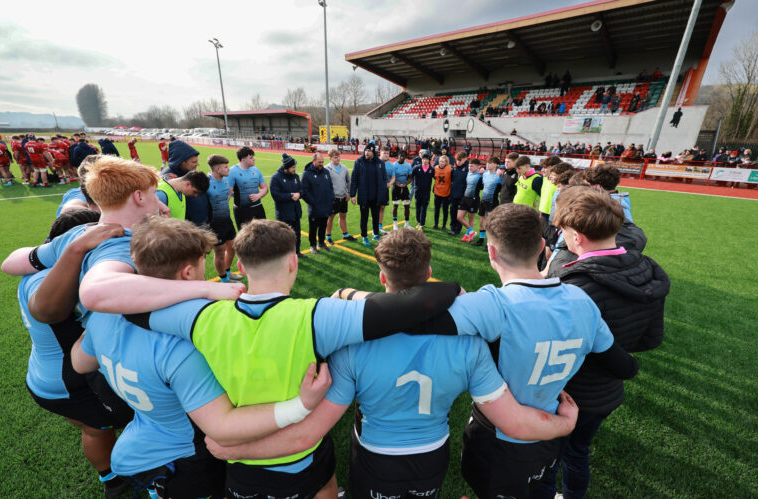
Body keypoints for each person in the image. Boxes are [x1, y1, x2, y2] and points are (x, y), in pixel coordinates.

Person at [205, 228, 579, 498]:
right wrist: (563, 425)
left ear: (382, 276)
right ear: (429, 272)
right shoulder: (471, 345)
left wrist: (234, 451)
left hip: (374, 457)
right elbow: (513, 420)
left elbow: (306, 434)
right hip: (432, 452)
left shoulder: (352, 346)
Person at [121, 219, 463, 499]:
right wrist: (452, 288)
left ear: (239, 265)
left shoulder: (201, 318)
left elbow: (133, 309)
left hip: (242, 457)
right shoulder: (317, 316)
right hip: (301, 457)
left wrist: (198, 290)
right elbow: (406, 306)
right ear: (294, 261)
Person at [70, 216, 331, 499]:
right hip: (187, 459)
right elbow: (223, 429)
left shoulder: (105, 316)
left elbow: (80, 362)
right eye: (203, 259)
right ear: (186, 273)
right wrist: (300, 405)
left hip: (141, 445)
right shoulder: (187, 342)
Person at [0, 155, 240, 329]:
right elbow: (95, 292)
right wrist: (205, 288)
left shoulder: (81, 232)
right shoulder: (123, 245)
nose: (159, 203)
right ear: (138, 196)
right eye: (152, 194)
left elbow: (10, 263)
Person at [540, 187, 669, 499]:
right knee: (578, 452)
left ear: (577, 236)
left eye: (563, 231)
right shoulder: (648, 271)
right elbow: (650, 339)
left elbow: (544, 345)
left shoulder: (575, 286)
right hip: (607, 390)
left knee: (546, 460)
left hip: (566, 392)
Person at [17, 210, 134, 497]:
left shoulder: (41, 272)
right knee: (101, 427)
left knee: (93, 426)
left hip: (45, 377)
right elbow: (50, 311)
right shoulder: (50, 283)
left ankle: (112, 474)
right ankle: (114, 482)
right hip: (67, 383)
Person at [206, 154, 242, 283]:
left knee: (232, 248)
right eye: (226, 167)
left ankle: (228, 271)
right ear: (217, 169)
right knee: (220, 252)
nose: (229, 169)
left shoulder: (226, 180)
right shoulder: (206, 182)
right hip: (214, 224)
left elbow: (227, 195)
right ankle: (224, 279)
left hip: (227, 220)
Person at [350, 143, 388, 247]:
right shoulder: (359, 162)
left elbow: (384, 180)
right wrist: (353, 194)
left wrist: (383, 194)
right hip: (364, 196)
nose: (366, 153)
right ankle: (364, 237)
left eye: (369, 151)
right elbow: (354, 179)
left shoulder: (380, 163)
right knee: (364, 218)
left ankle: (375, 234)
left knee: (376, 217)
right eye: (366, 150)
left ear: (373, 152)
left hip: (376, 196)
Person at [164, 141, 209, 226]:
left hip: (201, 226)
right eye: (193, 162)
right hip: (186, 231)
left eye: (197, 161)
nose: (197, 164)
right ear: (181, 162)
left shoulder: (192, 173)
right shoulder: (167, 180)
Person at [270, 153, 305, 258]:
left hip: (295, 212)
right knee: (284, 237)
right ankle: (285, 256)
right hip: (284, 214)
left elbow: (302, 190)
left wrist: (299, 194)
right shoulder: (276, 178)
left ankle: (296, 253)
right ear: (286, 167)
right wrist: (290, 196)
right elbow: (276, 195)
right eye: (293, 167)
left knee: (297, 234)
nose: (295, 169)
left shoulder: (296, 176)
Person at [302, 152, 334, 254]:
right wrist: (313, 202)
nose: (321, 164)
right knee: (313, 228)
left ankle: (321, 243)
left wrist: (331, 198)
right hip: (314, 207)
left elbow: (330, 186)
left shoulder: (326, 172)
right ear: (314, 161)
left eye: (322, 162)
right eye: (319, 162)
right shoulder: (307, 174)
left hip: (325, 206)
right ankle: (312, 245)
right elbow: (304, 191)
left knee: (323, 226)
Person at [230, 146, 268, 229]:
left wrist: (259, 195)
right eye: (251, 158)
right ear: (243, 160)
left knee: (264, 235)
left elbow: (265, 188)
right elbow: (228, 192)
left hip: (258, 208)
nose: (254, 159)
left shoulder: (256, 170)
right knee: (245, 238)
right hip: (242, 211)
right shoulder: (232, 171)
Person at [472, 156, 504, 250]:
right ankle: (481, 240)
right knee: (482, 222)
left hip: (492, 202)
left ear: (496, 165)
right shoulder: (484, 173)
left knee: (490, 224)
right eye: (487, 163)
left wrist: (502, 171)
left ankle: (489, 244)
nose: (487, 164)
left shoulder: (499, 176)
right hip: (483, 201)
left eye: (490, 163)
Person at [324, 148, 355, 244]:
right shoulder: (326, 169)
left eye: (339, 157)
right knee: (330, 218)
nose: (338, 159)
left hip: (343, 198)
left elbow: (349, 181)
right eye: (335, 157)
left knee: (343, 216)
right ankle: (328, 237)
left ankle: (345, 234)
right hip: (333, 199)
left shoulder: (344, 168)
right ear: (330, 158)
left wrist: (349, 193)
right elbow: (325, 185)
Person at [457, 158, 483, 242]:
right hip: (465, 198)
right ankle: (471, 232)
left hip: (474, 199)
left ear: (477, 167)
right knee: (459, 217)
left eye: (471, 166)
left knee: (471, 218)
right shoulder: (468, 173)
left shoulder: (481, 174)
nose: (469, 167)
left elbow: (491, 172)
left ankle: (468, 235)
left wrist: (484, 169)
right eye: (469, 166)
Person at [411, 150, 434, 230]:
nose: (425, 160)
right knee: (418, 208)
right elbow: (410, 176)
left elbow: (437, 179)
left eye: (427, 159)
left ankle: (422, 224)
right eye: (423, 159)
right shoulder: (416, 168)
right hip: (418, 191)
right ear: (421, 159)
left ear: (429, 160)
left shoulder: (432, 169)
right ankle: (418, 221)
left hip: (426, 192)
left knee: (424, 208)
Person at [390, 150, 413, 229]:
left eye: (403, 156)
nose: (402, 157)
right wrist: (397, 184)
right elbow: (392, 177)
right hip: (396, 188)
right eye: (400, 155)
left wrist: (406, 184)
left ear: (405, 157)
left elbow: (410, 177)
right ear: (398, 156)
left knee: (407, 206)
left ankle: (406, 224)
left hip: (405, 188)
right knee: (395, 205)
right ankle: (395, 224)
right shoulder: (394, 165)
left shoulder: (408, 165)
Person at [448, 151, 468, 235]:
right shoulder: (454, 169)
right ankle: (452, 228)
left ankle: (457, 230)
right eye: (457, 160)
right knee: (452, 212)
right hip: (453, 195)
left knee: (459, 214)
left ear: (465, 159)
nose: (458, 162)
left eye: (460, 160)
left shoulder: (467, 169)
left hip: (462, 196)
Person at [377, 148, 396, 234]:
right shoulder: (375, 163)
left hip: (384, 190)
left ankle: (379, 226)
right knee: (374, 208)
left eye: (388, 153)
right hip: (375, 189)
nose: (386, 155)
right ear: (380, 154)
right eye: (384, 153)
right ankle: (375, 225)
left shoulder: (391, 166)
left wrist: (390, 183)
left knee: (382, 207)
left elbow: (393, 177)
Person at [432, 154, 452, 230]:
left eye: (443, 161)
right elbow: (434, 177)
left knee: (445, 210)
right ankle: (435, 224)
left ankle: (444, 225)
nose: (441, 163)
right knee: (436, 210)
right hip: (437, 192)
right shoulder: (435, 168)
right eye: (440, 161)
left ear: (446, 162)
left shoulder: (450, 169)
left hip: (446, 193)